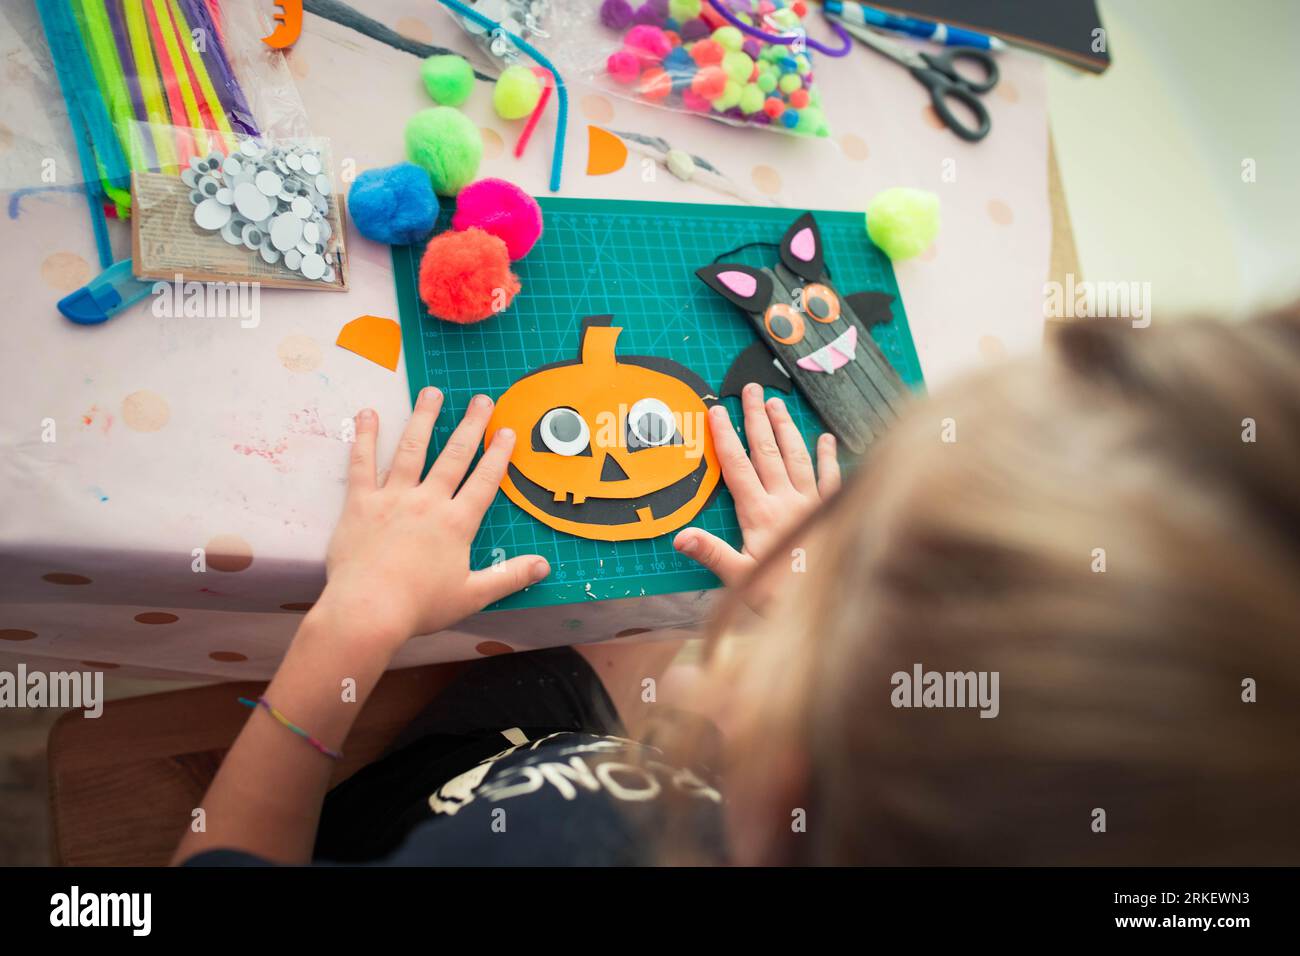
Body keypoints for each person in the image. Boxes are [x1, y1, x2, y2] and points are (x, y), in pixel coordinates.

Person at [176, 308, 1300, 866]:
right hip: (569, 768)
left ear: (797, 764)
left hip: (422, 822)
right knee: (626, 644)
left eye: (814, 606)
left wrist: (348, 626)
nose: (740, 619)